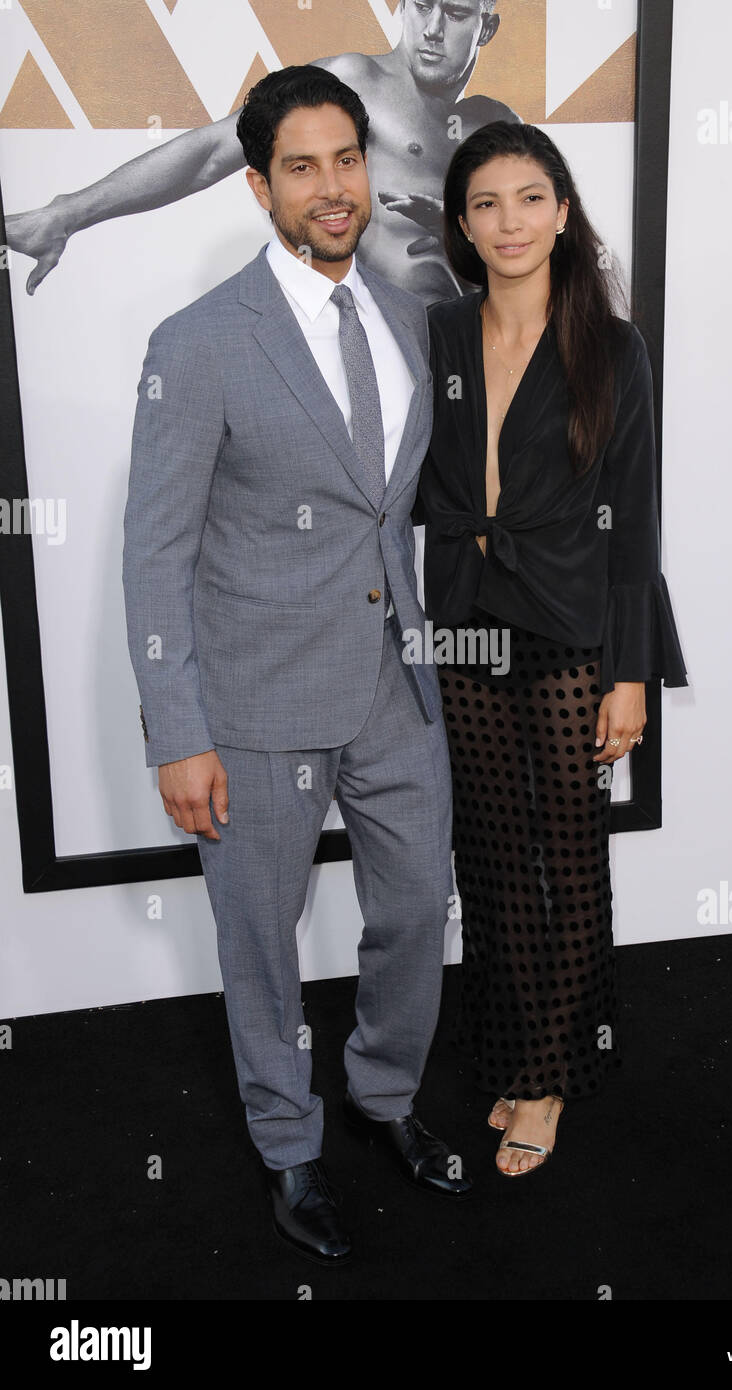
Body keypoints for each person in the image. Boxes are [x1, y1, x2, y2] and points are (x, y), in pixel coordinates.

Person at [121, 65, 470, 1268]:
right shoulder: (200, 342)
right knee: (262, 939)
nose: (333, 188)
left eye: (348, 160)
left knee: (418, 907)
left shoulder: (409, 314)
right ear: (261, 182)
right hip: (257, 699)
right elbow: (154, 552)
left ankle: (380, 1093)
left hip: (394, 684)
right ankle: (289, 1144)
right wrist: (177, 727)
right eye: (304, 167)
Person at [415, 120, 688, 1176]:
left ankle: (551, 1076)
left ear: (563, 211)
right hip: (468, 612)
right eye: (485, 203)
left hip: (574, 622)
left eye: (529, 198)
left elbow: (635, 515)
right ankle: (514, 1052)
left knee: (566, 856)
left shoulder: (612, 347)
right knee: (487, 850)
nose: (508, 221)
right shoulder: (438, 332)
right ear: (462, 224)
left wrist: (631, 669)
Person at [6, 0, 517, 304]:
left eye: (453, 13)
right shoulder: (354, 81)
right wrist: (68, 213)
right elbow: (209, 153)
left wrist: (454, 228)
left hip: (470, 366)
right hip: (374, 364)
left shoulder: (494, 123)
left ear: (486, 29)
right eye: (421, 5)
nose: (431, 30)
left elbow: (553, 254)